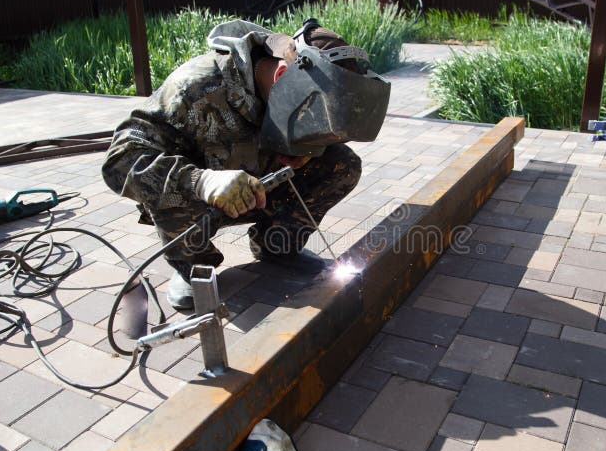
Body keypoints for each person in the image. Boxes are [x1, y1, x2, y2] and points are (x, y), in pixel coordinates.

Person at [102, 18, 390, 309]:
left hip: (260, 185)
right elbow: (121, 160)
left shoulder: (295, 91)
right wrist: (201, 181)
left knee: (342, 164)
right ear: (281, 76)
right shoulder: (195, 87)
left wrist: (310, 148)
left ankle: (275, 245)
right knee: (175, 188)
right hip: (203, 199)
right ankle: (193, 268)